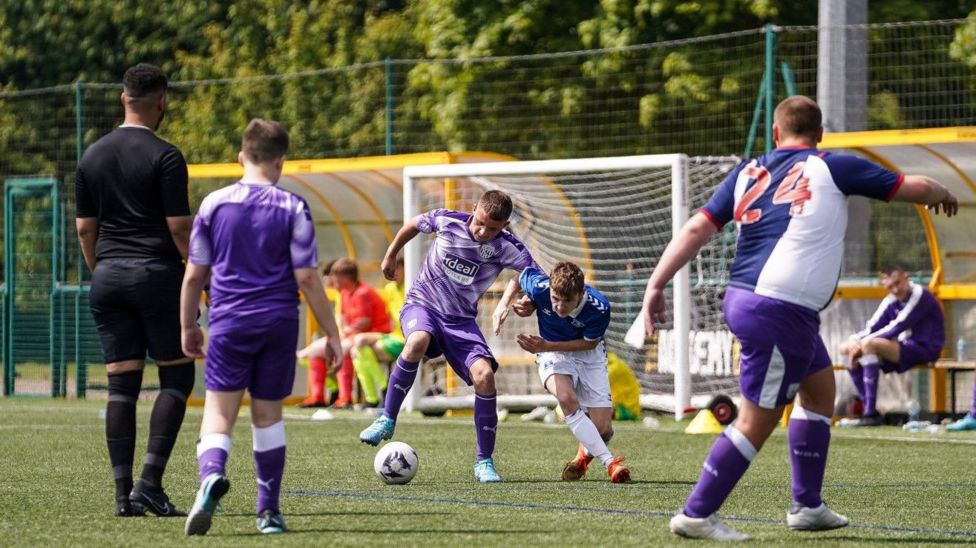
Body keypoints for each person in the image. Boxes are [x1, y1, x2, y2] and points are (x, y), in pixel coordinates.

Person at [640, 95, 958, 541]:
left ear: (775, 133)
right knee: (758, 419)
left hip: (772, 306)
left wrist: (656, 284)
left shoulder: (748, 170)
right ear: (819, 135)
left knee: (819, 389)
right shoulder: (832, 165)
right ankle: (696, 513)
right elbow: (917, 187)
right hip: (778, 308)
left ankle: (807, 505)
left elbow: (696, 227)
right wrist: (944, 192)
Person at [179, 119, 342, 535]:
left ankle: (211, 475)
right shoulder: (293, 207)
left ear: (240, 157)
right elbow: (307, 278)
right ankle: (268, 512)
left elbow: (195, 275)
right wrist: (331, 333)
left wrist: (189, 325)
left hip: (230, 320)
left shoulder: (213, 204)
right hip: (278, 321)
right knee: (267, 417)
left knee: (218, 414)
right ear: (281, 161)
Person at [75, 63, 194, 517]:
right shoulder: (166, 155)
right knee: (177, 377)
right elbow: (179, 228)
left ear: (123, 98)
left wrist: (102, 269)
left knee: (121, 386)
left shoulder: (91, 155)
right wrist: (198, 277)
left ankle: (123, 495)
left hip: (107, 277)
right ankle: (150, 483)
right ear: (161, 101)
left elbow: (86, 229)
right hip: (157, 275)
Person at [359, 190, 537, 483]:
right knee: (416, 341)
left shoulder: (508, 247)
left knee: (484, 376)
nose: (483, 231)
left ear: (504, 226)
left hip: (460, 320)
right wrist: (391, 255)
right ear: (475, 209)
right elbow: (413, 224)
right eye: (480, 222)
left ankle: (484, 462)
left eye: (494, 228)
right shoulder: (447, 220)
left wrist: (518, 301)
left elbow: (530, 274)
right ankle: (387, 419)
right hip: (422, 305)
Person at [493, 261, 630, 483]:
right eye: (555, 299)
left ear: (581, 293)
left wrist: (545, 346)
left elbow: (589, 344)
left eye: (567, 301)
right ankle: (610, 463)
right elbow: (518, 277)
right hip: (552, 354)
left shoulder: (599, 307)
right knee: (566, 398)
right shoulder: (541, 287)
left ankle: (582, 458)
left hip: (587, 355)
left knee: (603, 430)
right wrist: (505, 305)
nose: (559, 306)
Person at [839, 266, 945, 427]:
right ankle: (869, 409)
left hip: (925, 349)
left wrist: (861, 344)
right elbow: (871, 328)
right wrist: (854, 341)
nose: (895, 289)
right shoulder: (890, 300)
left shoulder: (920, 294)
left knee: (869, 344)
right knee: (845, 348)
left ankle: (869, 413)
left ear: (906, 277)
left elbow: (898, 326)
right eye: (890, 287)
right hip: (903, 349)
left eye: (898, 283)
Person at [332, 257, 392, 407]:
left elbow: (364, 324)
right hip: (359, 337)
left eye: (336, 276)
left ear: (346, 277)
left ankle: (349, 397)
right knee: (311, 353)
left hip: (380, 333)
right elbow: (343, 318)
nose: (333, 279)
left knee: (348, 347)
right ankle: (372, 396)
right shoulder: (345, 293)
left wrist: (347, 330)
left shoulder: (363, 292)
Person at [298, 260, 341, 408]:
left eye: (327, 276)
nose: (324, 280)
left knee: (307, 354)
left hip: (349, 338)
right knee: (308, 358)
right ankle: (331, 391)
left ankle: (342, 395)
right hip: (338, 337)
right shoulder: (337, 294)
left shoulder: (350, 293)